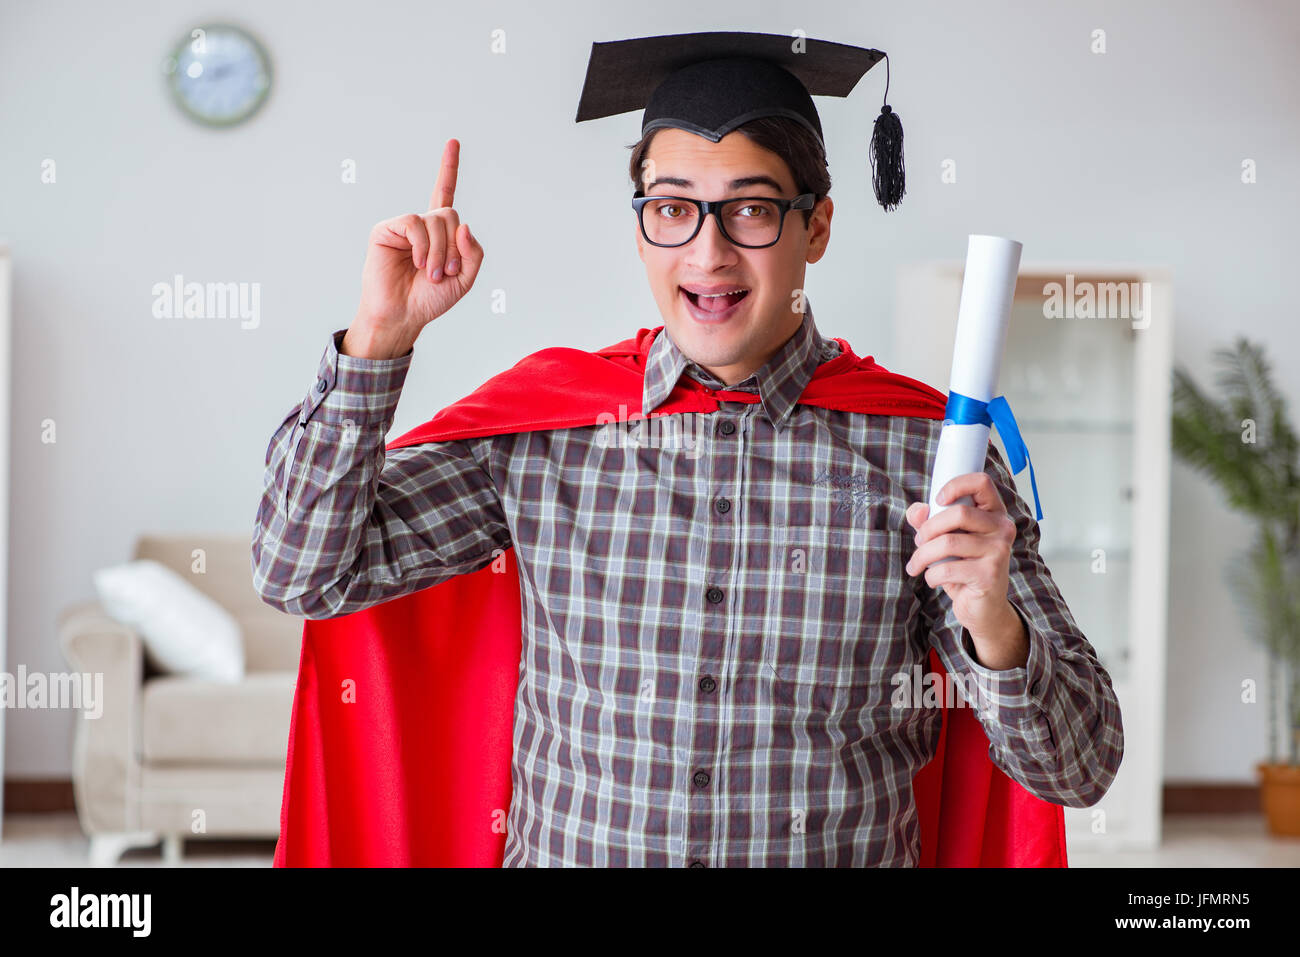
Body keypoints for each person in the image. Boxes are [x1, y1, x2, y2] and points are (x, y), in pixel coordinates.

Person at [252, 32, 1123, 867]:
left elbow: (1078, 770)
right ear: (641, 229)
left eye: (751, 209)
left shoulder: (924, 454)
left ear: (815, 227)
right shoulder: (544, 434)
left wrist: (993, 623)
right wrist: (375, 341)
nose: (708, 254)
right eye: (673, 209)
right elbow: (301, 574)